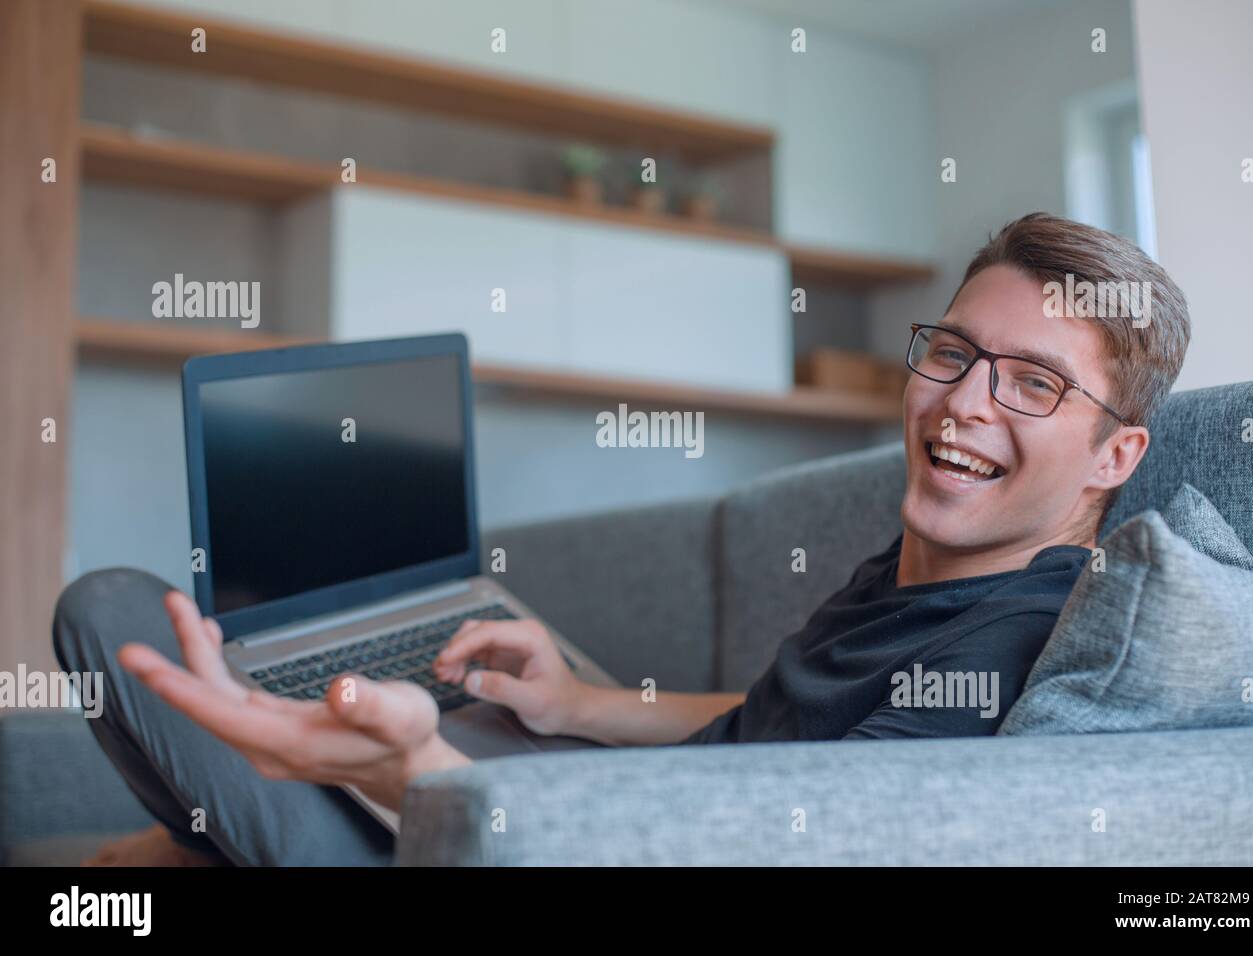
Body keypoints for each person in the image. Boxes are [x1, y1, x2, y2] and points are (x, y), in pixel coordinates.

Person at [53, 212, 1190, 865]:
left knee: (108, 605)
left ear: (1114, 456)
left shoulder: (1004, 646)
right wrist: (575, 703)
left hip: (552, 848)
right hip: (597, 797)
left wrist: (425, 775)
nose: (962, 405)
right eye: (952, 352)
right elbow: (775, 723)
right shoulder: (934, 558)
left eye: (1034, 384)